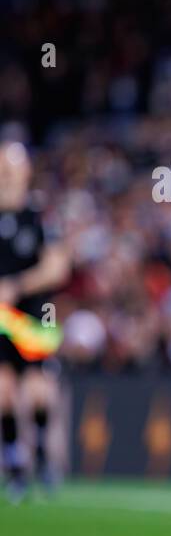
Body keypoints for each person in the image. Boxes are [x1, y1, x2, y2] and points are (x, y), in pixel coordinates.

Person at [0, 142, 69, 502]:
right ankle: (14, 464)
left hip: (35, 310)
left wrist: (17, 285)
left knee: (39, 385)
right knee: (3, 390)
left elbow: (57, 266)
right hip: (0, 315)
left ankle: (42, 453)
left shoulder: (40, 214)